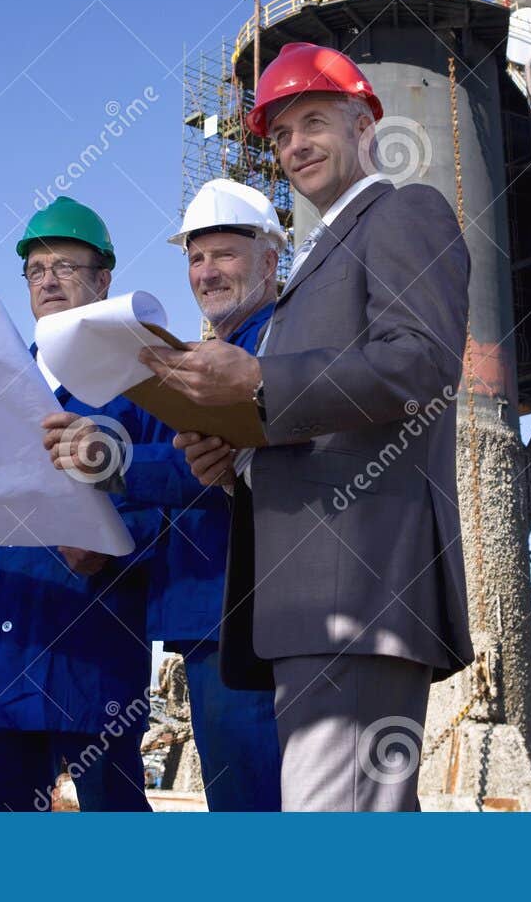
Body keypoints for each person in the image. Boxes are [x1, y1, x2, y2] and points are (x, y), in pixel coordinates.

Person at [140, 43, 474, 811]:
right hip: (306, 602)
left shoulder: (404, 212)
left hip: (356, 586)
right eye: (281, 135)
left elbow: (421, 361)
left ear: (366, 126)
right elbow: (316, 418)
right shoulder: (318, 263)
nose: (293, 147)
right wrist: (236, 457)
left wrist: (258, 379)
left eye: (313, 122)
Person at [0, 198, 164, 812]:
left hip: (95, 643)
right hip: (6, 635)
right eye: (35, 269)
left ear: (103, 280)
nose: (47, 280)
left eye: (65, 267)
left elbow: (173, 499)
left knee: (112, 817)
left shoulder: (144, 381)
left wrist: (111, 550)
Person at [137, 179, 284, 810]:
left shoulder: (284, 344)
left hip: (258, 617)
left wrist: (113, 461)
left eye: (223, 255)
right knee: (239, 799)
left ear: (271, 260)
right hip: (210, 616)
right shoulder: (210, 354)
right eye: (195, 258)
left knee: (260, 801)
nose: (206, 272)